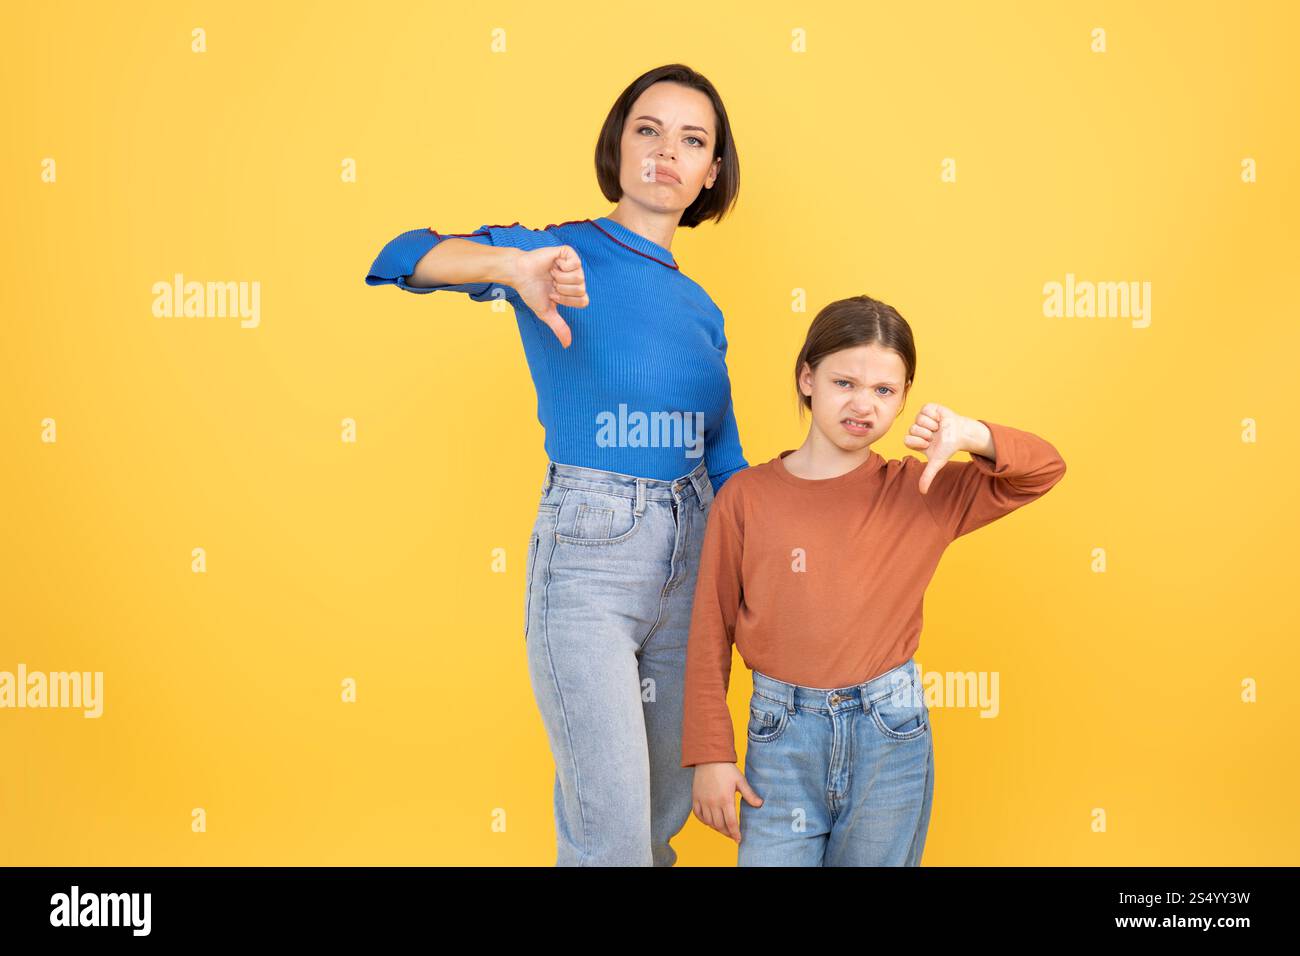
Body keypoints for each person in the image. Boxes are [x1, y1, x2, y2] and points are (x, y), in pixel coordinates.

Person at [364, 64, 747, 866]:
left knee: (653, 824)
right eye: (648, 130)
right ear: (619, 145)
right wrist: (510, 269)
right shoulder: (556, 251)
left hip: (694, 559)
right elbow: (401, 257)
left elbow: (726, 461)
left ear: (711, 174)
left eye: (692, 140)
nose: (665, 152)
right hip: (590, 561)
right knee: (609, 833)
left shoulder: (702, 309)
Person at [681, 294, 1067, 865]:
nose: (863, 405)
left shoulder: (923, 489)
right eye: (845, 383)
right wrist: (710, 754)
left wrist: (972, 435)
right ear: (807, 378)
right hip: (781, 739)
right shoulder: (746, 498)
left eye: (885, 391)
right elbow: (710, 629)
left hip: (889, 738)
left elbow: (1043, 469)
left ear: (905, 397)